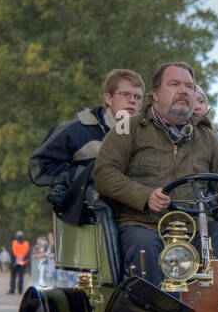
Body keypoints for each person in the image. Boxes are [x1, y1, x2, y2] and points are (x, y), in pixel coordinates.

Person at [93, 61, 218, 288]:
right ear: (154, 94)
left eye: (189, 86)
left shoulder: (208, 136)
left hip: (196, 228)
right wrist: (145, 196)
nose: (183, 90)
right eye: (174, 84)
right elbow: (105, 173)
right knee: (146, 247)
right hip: (144, 225)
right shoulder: (128, 128)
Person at [29, 70, 146, 219]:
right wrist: (84, 175)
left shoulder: (149, 135)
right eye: (125, 95)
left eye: (138, 97)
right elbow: (38, 168)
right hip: (90, 217)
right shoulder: (75, 131)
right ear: (108, 98)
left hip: (138, 214)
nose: (132, 101)